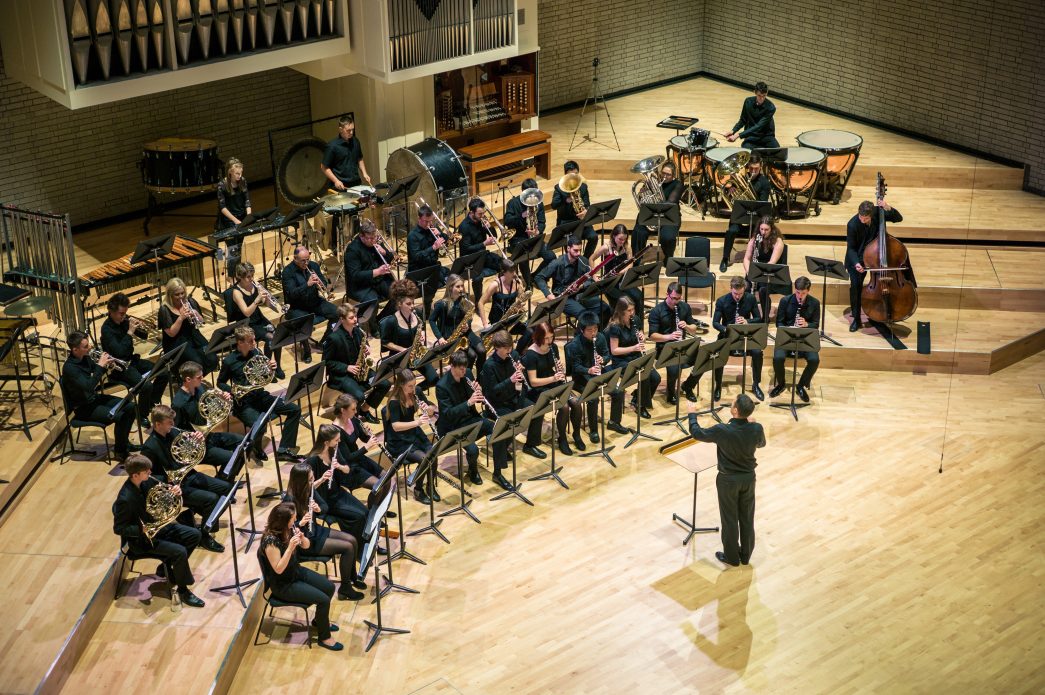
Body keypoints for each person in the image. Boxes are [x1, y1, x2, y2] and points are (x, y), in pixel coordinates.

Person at [113, 454, 205, 607]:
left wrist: (174, 491)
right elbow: (119, 528)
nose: (150, 473)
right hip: (142, 541)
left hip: (158, 527)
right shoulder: (125, 499)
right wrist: (141, 529)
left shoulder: (146, 481)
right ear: (135, 475)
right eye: (146, 471)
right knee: (179, 551)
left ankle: (168, 567)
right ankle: (182, 590)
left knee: (195, 534)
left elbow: (164, 493)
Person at [686, 394, 765, 567]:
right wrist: (752, 425)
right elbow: (761, 444)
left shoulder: (722, 430)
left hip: (728, 480)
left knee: (729, 519)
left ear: (735, 410)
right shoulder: (756, 428)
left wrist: (692, 414)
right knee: (746, 517)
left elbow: (697, 433)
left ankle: (731, 557)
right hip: (749, 478)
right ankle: (745, 556)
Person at [141, 405, 230, 553]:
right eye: (169, 422)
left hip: (189, 475)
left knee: (226, 489)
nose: (173, 425)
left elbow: (189, 449)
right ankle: (204, 535)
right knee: (212, 499)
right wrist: (168, 480)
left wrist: (197, 439)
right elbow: (148, 477)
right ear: (158, 424)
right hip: (174, 488)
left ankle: (190, 516)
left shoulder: (173, 433)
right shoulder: (149, 448)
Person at [257, 503, 341, 650]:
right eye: (293, 519)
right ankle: (324, 637)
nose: (295, 521)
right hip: (283, 584)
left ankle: (318, 621)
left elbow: (307, 546)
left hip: (296, 571)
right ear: (283, 521)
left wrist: (301, 538)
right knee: (323, 600)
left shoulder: (288, 529)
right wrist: (290, 548)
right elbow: (278, 569)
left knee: (329, 587)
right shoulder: (270, 541)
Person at [217, 326, 302, 462]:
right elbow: (220, 382)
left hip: (260, 396)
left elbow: (265, 376)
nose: (254, 343)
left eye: (254, 340)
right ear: (240, 343)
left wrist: (271, 368)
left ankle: (283, 449)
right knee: (260, 423)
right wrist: (232, 391)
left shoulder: (256, 352)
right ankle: (256, 447)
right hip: (243, 402)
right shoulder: (229, 361)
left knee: (294, 410)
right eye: (250, 341)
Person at [283, 464, 365, 602]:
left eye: (312, 478)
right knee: (348, 547)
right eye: (309, 480)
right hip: (305, 542)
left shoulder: (309, 490)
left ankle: (352, 578)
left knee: (352, 539)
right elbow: (285, 529)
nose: (312, 482)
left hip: (315, 531)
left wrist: (318, 509)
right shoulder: (289, 500)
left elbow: (325, 507)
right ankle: (345, 588)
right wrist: (300, 523)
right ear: (300, 481)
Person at [480, 331, 547, 483]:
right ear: (497, 348)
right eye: (506, 348)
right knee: (507, 423)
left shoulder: (514, 355)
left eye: (510, 346)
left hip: (514, 397)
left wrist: (519, 377)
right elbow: (491, 393)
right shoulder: (489, 365)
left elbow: (520, 383)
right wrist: (510, 380)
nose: (509, 350)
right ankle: (498, 472)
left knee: (535, 408)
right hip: (498, 404)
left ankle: (530, 445)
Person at [60, 330, 137, 459]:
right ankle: (120, 451)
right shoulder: (70, 368)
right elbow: (89, 386)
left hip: (94, 399)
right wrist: (101, 366)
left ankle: (124, 443)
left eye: (88, 344)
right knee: (121, 416)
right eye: (85, 346)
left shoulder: (85, 357)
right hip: (83, 408)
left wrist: (108, 364)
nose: (90, 347)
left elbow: (95, 371)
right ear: (75, 350)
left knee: (130, 406)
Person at [100, 292, 169, 426]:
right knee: (146, 386)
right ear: (111, 311)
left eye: (125, 313)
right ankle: (141, 414)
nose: (124, 316)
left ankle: (149, 404)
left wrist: (138, 326)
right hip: (119, 367)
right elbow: (119, 352)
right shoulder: (107, 329)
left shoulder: (124, 320)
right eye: (121, 313)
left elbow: (144, 336)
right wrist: (130, 332)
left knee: (164, 371)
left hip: (132, 361)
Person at [171, 361, 245, 478]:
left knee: (243, 444)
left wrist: (223, 398)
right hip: (197, 445)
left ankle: (224, 479)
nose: (202, 378)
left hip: (209, 435)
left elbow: (210, 406)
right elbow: (175, 430)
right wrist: (194, 436)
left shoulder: (200, 388)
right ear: (188, 379)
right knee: (232, 458)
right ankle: (223, 484)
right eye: (199, 377)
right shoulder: (178, 404)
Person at [565, 312, 630, 441]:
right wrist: (588, 370)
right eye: (590, 330)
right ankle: (593, 430)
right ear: (582, 330)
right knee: (593, 398)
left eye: (595, 329)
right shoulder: (575, 345)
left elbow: (607, 355)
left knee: (618, 391)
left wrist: (603, 359)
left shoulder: (600, 338)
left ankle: (614, 423)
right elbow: (575, 367)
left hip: (599, 375)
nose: (594, 332)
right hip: (581, 380)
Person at [523, 322, 585, 455]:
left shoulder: (553, 348)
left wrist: (559, 371)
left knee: (576, 402)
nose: (549, 341)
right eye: (546, 338)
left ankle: (577, 434)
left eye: (551, 337)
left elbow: (555, 369)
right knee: (563, 407)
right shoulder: (531, 354)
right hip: (539, 390)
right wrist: (554, 378)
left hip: (553, 382)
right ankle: (562, 439)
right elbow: (533, 382)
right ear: (538, 337)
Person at [435, 351, 495, 486]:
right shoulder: (441, 386)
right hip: (454, 426)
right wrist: (469, 402)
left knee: (495, 427)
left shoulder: (467, 373)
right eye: (461, 369)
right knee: (473, 450)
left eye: (465, 368)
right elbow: (448, 414)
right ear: (452, 366)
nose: (464, 371)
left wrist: (478, 391)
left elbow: (477, 400)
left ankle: (498, 469)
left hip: (470, 418)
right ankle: (473, 472)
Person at [845, 198, 904, 332]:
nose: (862, 220)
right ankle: (857, 319)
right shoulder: (852, 224)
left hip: (876, 257)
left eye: (866, 218)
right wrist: (856, 264)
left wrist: (887, 207)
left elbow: (898, 218)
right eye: (861, 216)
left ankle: (881, 310)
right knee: (855, 286)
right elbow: (851, 248)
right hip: (858, 259)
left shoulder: (878, 213)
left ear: (871, 215)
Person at [323, 303, 388, 424]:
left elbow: (362, 346)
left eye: (355, 317)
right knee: (359, 396)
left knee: (384, 383)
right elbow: (327, 362)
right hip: (342, 375)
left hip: (360, 370)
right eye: (351, 318)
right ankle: (354, 421)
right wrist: (347, 367)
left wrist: (366, 348)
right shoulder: (334, 338)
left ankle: (364, 409)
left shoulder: (358, 331)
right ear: (342, 319)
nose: (355, 320)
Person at [383, 368, 440, 503]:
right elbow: (395, 426)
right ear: (401, 385)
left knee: (433, 453)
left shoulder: (417, 392)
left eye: (414, 385)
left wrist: (429, 410)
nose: (413, 388)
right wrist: (418, 422)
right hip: (399, 440)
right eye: (410, 386)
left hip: (414, 432)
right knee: (425, 459)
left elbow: (431, 411)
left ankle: (430, 486)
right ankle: (418, 489)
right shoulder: (394, 401)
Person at [303, 424, 367, 542]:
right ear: (326, 442)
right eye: (337, 440)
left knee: (365, 512)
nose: (340, 441)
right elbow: (307, 489)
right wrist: (321, 479)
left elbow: (347, 469)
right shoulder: (312, 460)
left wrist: (340, 467)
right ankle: (357, 545)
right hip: (324, 500)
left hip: (337, 492)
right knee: (358, 516)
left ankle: (367, 542)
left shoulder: (333, 450)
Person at [379, 278, 439, 391]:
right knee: (407, 382)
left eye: (413, 302)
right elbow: (385, 343)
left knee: (434, 379)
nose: (412, 306)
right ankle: (407, 393)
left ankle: (415, 392)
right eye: (408, 303)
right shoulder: (391, 321)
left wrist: (422, 335)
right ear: (399, 304)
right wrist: (403, 350)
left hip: (416, 354)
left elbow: (422, 329)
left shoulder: (417, 314)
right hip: (401, 358)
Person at [281, 245, 338, 363]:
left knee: (337, 313)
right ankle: (306, 350)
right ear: (295, 258)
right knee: (302, 321)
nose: (306, 263)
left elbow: (324, 283)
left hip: (314, 301)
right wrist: (307, 284)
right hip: (296, 306)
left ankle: (324, 342)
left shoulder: (313, 265)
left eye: (308, 259)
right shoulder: (288, 272)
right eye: (303, 260)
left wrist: (321, 283)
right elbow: (291, 294)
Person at [712, 277, 765, 402]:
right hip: (727, 335)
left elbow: (758, 318)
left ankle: (756, 384)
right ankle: (718, 385)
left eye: (740, 294)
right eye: (735, 293)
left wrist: (747, 321)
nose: (738, 296)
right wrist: (726, 329)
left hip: (745, 336)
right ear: (731, 289)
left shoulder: (750, 298)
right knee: (717, 353)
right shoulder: (722, 301)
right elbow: (715, 322)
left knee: (758, 352)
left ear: (744, 290)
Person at [605, 296, 658, 419]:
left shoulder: (636, 320)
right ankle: (640, 405)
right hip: (621, 361)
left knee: (656, 378)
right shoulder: (615, 327)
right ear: (621, 311)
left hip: (636, 358)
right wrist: (633, 348)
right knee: (644, 375)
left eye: (633, 309)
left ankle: (636, 397)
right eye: (629, 310)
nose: (632, 313)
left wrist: (642, 338)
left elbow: (641, 338)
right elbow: (614, 350)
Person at [228, 262, 284, 379]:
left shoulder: (254, 285)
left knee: (277, 336)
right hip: (246, 323)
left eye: (252, 275)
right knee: (270, 337)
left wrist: (267, 299)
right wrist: (257, 299)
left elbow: (266, 304)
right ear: (240, 277)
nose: (251, 279)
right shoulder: (236, 292)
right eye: (248, 277)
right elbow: (246, 312)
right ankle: (267, 370)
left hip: (259, 318)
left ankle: (276, 366)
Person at [648, 282, 701, 404]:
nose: (676, 301)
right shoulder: (657, 311)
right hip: (664, 348)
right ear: (667, 294)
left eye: (678, 298)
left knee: (703, 359)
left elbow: (694, 329)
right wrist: (669, 336)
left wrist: (686, 326)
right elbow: (652, 336)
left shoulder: (685, 307)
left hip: (681, 345)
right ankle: (671, 393)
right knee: (674, 368)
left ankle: (688, 386)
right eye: (673, 298)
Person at [535, 236, 609, 323]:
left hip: (580, 294)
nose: (578, 254)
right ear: (568, 248)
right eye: (575, 250)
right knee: (585, 315)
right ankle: (581, 334)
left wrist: (581, 286)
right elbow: (539, 277)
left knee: (605, 309)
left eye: (579, 250)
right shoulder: (557, 263)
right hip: (564, 298)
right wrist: (548, 294)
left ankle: (597, 333)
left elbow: (590, 279)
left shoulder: (583, 261)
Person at [770, 276, 820, 403]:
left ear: (808, 291)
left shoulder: (815, 303)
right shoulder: (785, 301)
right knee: (778, 358)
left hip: (805, 338)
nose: (800, 296)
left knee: (814, 360)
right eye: (797, 292)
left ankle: (801, 386)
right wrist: (789, 329)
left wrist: (806, 324)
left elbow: (816, 324)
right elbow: (779, 323)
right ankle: (781, 384)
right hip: (787, 337)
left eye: (803, 293)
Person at [720, 155, 772, 273]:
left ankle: (758, 258)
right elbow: (731, 196)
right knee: (731, 231)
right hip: (740, 215)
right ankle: (725, 258)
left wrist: (752, 201)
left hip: (756, 218)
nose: (753, 171)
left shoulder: (764, 183)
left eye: (756, 169)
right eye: (751, 168)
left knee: (760, 233)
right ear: (747, 167)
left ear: (761, 167)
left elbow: (762, 204)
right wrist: (730, 190)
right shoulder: (741, 178)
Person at [158, 277, 215, 374]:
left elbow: (201, 322)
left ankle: (197, 380)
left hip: (193, 336)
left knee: (212, 358)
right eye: (177, 294)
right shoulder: (164, 309)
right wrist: (181, 318)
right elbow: (171, 333)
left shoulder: (190, 301)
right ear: (170, 295)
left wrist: (195, 313)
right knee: (197, 363)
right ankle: (194, 382)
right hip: (177, 342)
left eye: (182, 293)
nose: (181, 296)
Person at [592, 224, 644, 329]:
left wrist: (623, 271)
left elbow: (631, 262)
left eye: (624, 239)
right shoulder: (606, 247)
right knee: (625, 300)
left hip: (622, 280)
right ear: (613, 236)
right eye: (620, 239)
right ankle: (622, 326)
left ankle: (638, 327)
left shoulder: (626, 247)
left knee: (639, 296)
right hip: (610, 283)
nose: (622, 242)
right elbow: (591, 259)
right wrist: (594, 276)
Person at [503, 177, 553, 285]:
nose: (532, 197)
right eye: (529, 194)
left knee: (551, 257)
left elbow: (542, 222)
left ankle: (534, 276)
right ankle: (528, 284)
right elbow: (507, 221)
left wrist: (538, 231)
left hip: (534, 238)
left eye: (534, 194)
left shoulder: (538, 203)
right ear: (523, 192)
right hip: (518, 238)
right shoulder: (513, 203)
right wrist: (521, 216)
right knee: (523, 257)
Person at [330, 394, 384, 492]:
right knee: (379, 487)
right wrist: (366, 447)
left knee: (387, 478)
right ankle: (375, 507)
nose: (356, 412)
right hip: (348, 468)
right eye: (353, 409)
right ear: (343, 410)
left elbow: (364, 438)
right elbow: (348, 457)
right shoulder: (335, 432)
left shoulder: (353, 419)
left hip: (359, 458)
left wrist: (367, 434)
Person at [430, 274, 486, 369]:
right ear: (450, 287)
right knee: (471, 355)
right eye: (458, 286)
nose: (461, 289)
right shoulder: (442, 304)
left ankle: (480, 378)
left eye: (462, 286)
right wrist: (440, 338)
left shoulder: (464, 301)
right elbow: (431, 320)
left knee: (482, 351)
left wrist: (467, 325)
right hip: (450, 336)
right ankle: (466, 376)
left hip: (465, 332)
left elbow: (468, 318)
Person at [632, 160, 682, 259]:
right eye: (663, 173)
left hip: (668, 216)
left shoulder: (678, 184)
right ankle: (636, 259)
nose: (665, 176)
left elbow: (671, 202)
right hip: (651, 214)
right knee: (638, 232)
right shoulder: (652, 181)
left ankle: (668, 258)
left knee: (668, 237)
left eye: (668, 174)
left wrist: (655, 197)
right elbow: (642, 199)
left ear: (673, 176)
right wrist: (642, 194)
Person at [457, 197, 506, 298]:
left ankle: (502, 294)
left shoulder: (481, 220)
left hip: (483, 255)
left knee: (504, 264)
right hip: (470, 259)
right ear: (471, 213)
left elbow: (494, 236)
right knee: (478, 277)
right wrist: (484, 244)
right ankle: (478, 302)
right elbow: (466, 248)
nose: (482, 216)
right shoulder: (464, 227)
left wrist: (490, 227)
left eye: (483, 213)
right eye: (480, 214)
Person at [406, 204, 449, 312]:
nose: (429, 224)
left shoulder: (433, 228)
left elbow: (447, 240)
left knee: (452, 278)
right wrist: (433, 247)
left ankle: (431, 305)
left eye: (431, 221)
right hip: (418, 270)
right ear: (419, 219)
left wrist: (441, 234)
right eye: (426, 221)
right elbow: (416, 257)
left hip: (432, 266)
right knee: (426, 289)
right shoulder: (412, 236)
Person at [550, 160, 597, 258]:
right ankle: (571, 262)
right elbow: (554, 205)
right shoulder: (559, 188)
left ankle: (585, 259)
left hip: (581, 221)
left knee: (594, 237)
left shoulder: (583, 187)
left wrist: (586, 211)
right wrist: (566, 200)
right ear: (565, 175)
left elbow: (587, 204)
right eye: (570, 175)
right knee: (571, 243)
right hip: (566, 222)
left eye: (575, 174)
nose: (572, 178)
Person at [742, 217, 787, 317]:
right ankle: (745, 317)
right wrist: (749, 272)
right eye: (761, 229)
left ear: (772, 229)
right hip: (755, 271)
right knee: (745, 287)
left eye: (766, 230)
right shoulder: (755, 239)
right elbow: (746, 259)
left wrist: (759, 274)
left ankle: (764, 319)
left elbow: (772, 262)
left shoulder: (778, 241)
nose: (763, 232)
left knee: (763, 290)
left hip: (770, 272)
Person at [343, 218, 395, 304]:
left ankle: (383, 317)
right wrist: (378, 271)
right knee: (373, 301)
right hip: (361, 286)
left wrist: (385, 252)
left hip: (379, 281)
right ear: (361, 236)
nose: (373, 240)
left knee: (398, 295)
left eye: (374, 237)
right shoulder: (353, 249)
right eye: (370, 238)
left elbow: (391, 258)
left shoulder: (376, 241)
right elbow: (355, 275)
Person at [215, 157, 252, 275]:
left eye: (241, 173)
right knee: (233, 250)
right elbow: (222, 208)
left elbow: (247, 201)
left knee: (239, 249)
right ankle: (231, 277)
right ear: (230, 172)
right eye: (237, 173)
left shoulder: (242, 181)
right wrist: (235, 220)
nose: (239, 176)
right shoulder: (222, 185)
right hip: (228, 221)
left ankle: (238, 275)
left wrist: (249, 217)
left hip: (241, 218)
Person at [321, 114, 371, 191]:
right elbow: (324, 167)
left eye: (352, 129)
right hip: (341, 186)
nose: (351, 132)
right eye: (348, 130)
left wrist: (364, 173)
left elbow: (359, 158)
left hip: (356, 183)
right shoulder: (332, 146)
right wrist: (336, 181)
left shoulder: (355, 141)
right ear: (341, 129)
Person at [724, 81, 780, 150]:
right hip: (751, 135)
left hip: (766, 136)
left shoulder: (771, 107)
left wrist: (738, 135)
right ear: (755, 92)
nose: (762, 99)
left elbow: (758, 126)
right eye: (759, 95)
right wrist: (733, 131)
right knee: (746, 150)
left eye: (764, 96)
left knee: (778, 151)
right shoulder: (748, 102)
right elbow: (743, 120)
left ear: (767, 93)